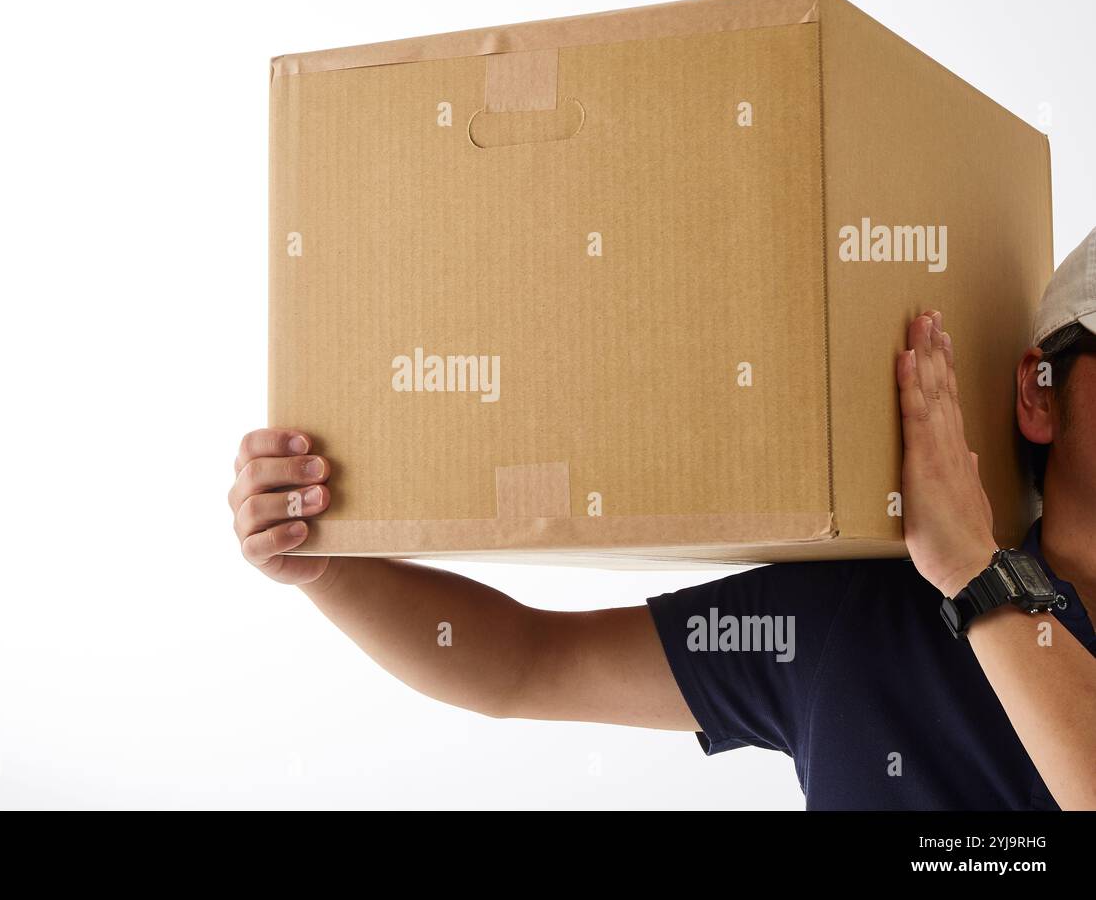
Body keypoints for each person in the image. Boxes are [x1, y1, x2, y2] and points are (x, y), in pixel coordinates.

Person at [229, 229, 1096, 810]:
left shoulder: (958, 576)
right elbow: (527, 662)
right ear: (1040, 392)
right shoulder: (860, 617)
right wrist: (327, 567)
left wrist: (976, 574)